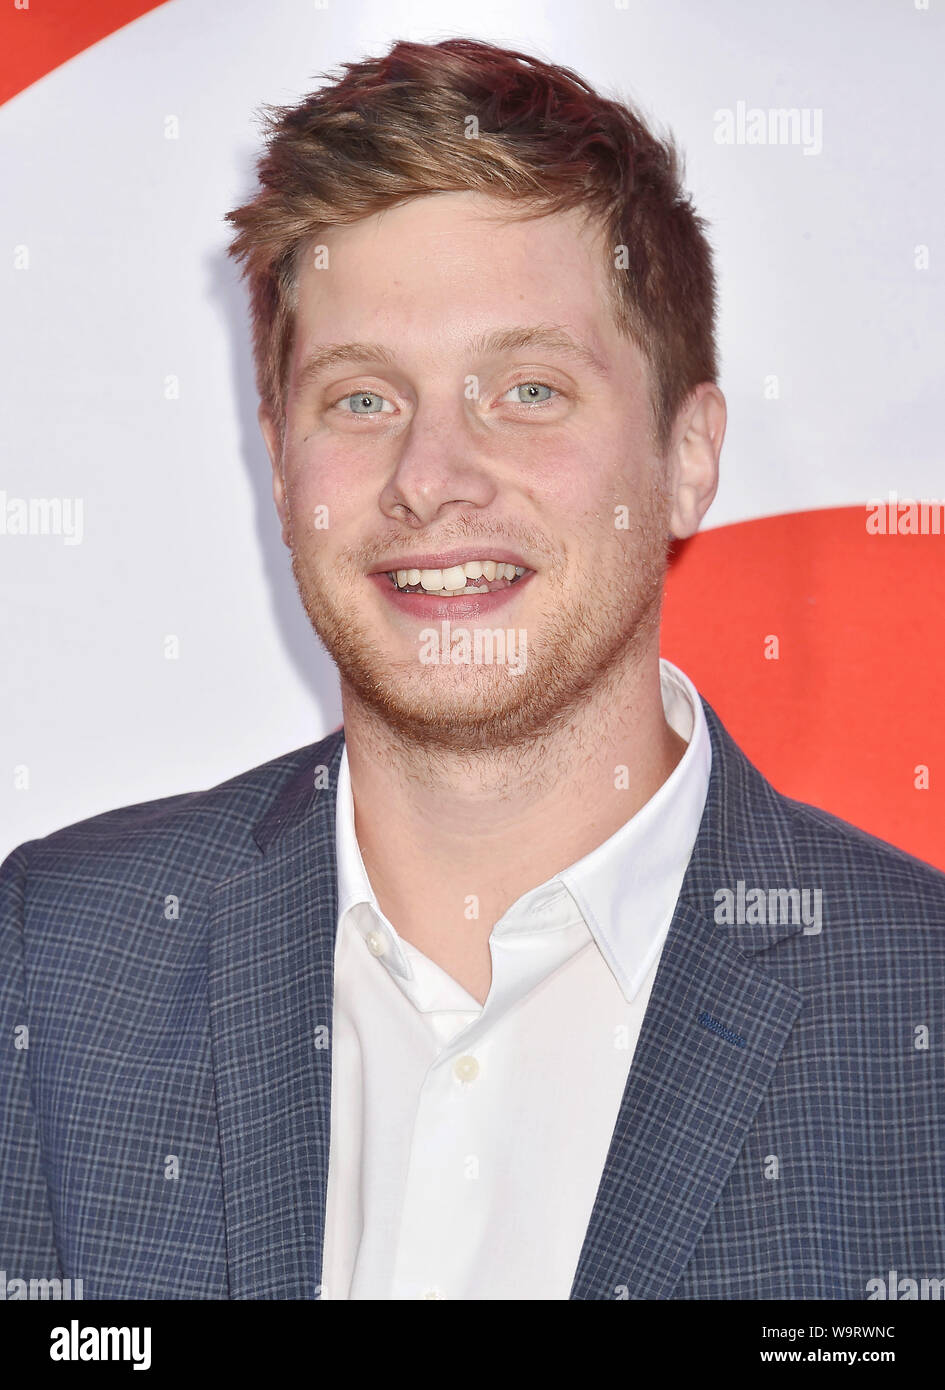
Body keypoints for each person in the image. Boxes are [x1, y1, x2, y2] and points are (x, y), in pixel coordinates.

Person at [2, 36, 943, 1302]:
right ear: (279, 464)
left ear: (688, 455)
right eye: (364, 399)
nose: (433, 475)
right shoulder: (54, 967)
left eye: (530, 388)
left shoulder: (916, 1008)